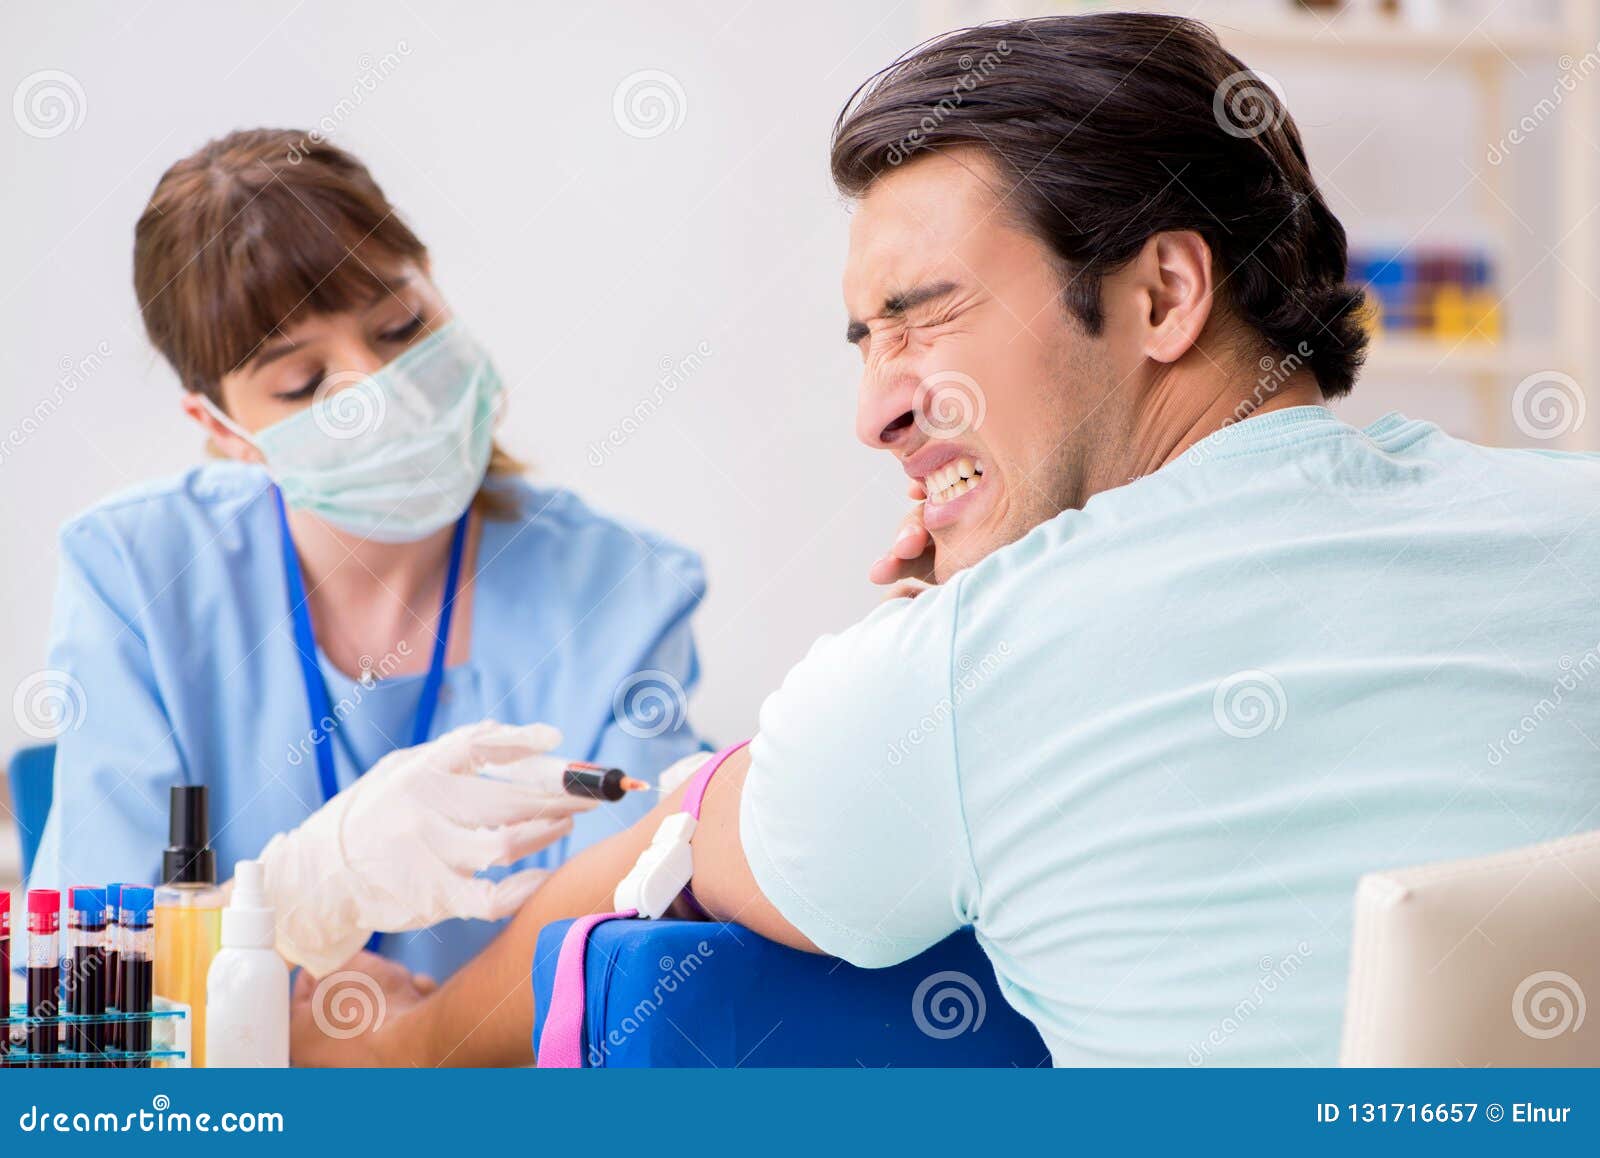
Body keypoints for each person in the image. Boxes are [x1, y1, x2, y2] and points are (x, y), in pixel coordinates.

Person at [293, 13, 1600, 1066]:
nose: (878, 407)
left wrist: (394, 1048)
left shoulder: (956, 673)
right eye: (866, 343)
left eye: (926, 318)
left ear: (1162, 293)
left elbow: (670, 849)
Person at [29, 129, 709, 981]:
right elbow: (90, 986)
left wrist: (409, 1046)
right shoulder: (136, 574)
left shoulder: (623, 592)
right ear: (221, 429)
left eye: (399, 326)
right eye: (302, 384)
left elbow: (625, 955)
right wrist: (309, 893)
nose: (374, 390)